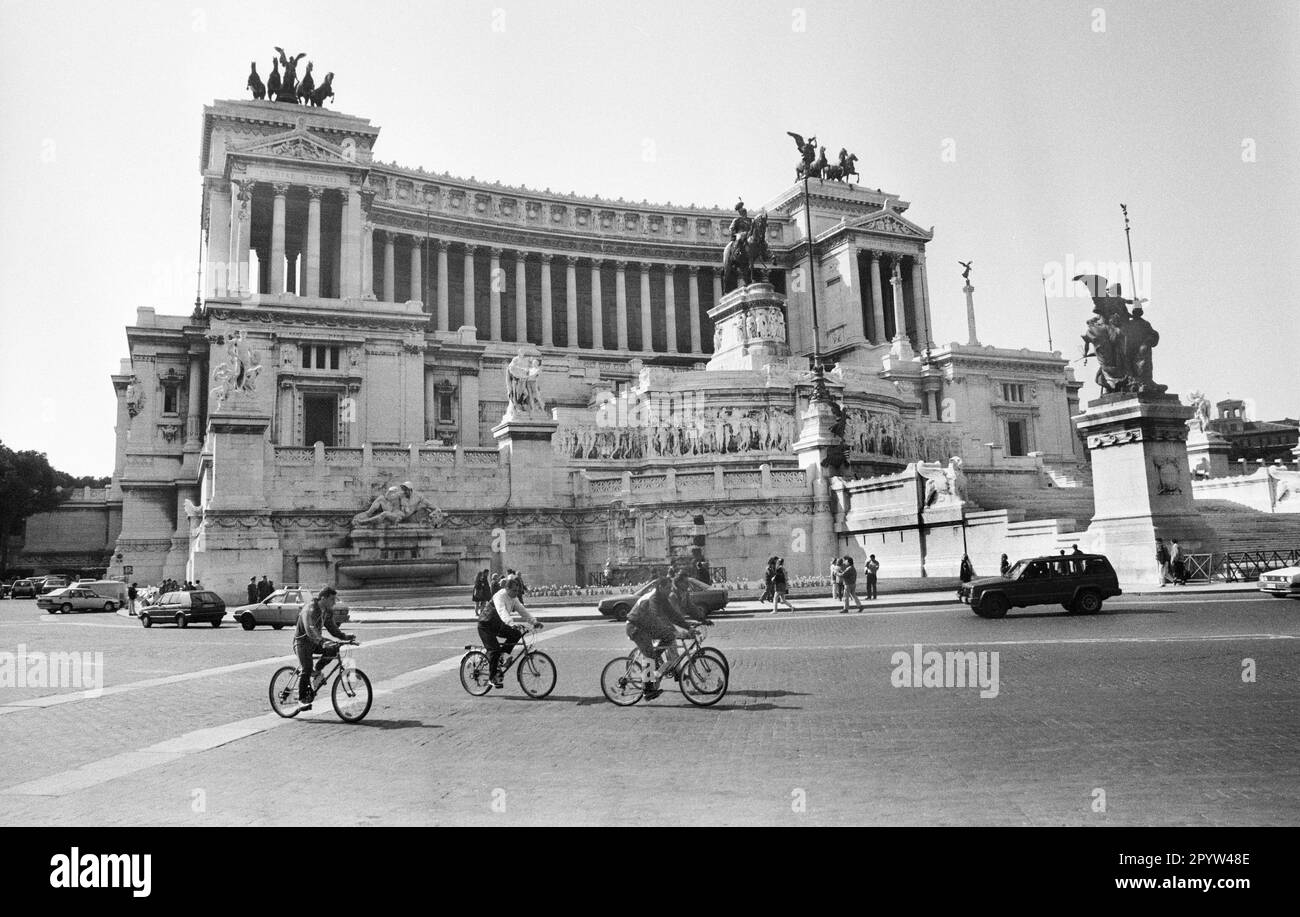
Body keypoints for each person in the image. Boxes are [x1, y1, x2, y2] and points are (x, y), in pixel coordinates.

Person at [626, 576, 694, 699]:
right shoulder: (653, 598)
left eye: (670, 588)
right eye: (667, 588)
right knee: (649, 656)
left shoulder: (663, 598)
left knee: (668, 638)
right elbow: (658, 616)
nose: (670, 591)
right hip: (636, 627)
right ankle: (647, 690)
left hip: (646, 626)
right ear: (660, 587)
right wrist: (675, 631)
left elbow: (673, 615)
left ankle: (655, 662)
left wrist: (688, 627)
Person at [291, 585, 356, 712]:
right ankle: (301, 699)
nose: (334, 602)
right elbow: (310, 629)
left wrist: (345, 637)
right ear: (323, 598)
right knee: (306, 668)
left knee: (333, 648)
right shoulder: (310, 609)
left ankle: (316, 672)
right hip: (302, 642)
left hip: (315, 642)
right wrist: (321, 641)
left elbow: (332, 628)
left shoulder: (326, 611)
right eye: (332, 599)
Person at [480, 575, 539, 688]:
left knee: (516, 634)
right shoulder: (499, 596)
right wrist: (511, 623)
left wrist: (534, 622)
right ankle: (492, 678)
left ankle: (501, 657)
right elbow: (502, 611)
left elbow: (522, 610)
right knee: (494, 649)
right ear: (507, 589)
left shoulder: (513, 598)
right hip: (486, 625)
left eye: (517, 590)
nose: (516, 593)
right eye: (514, 590)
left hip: (497, 625)